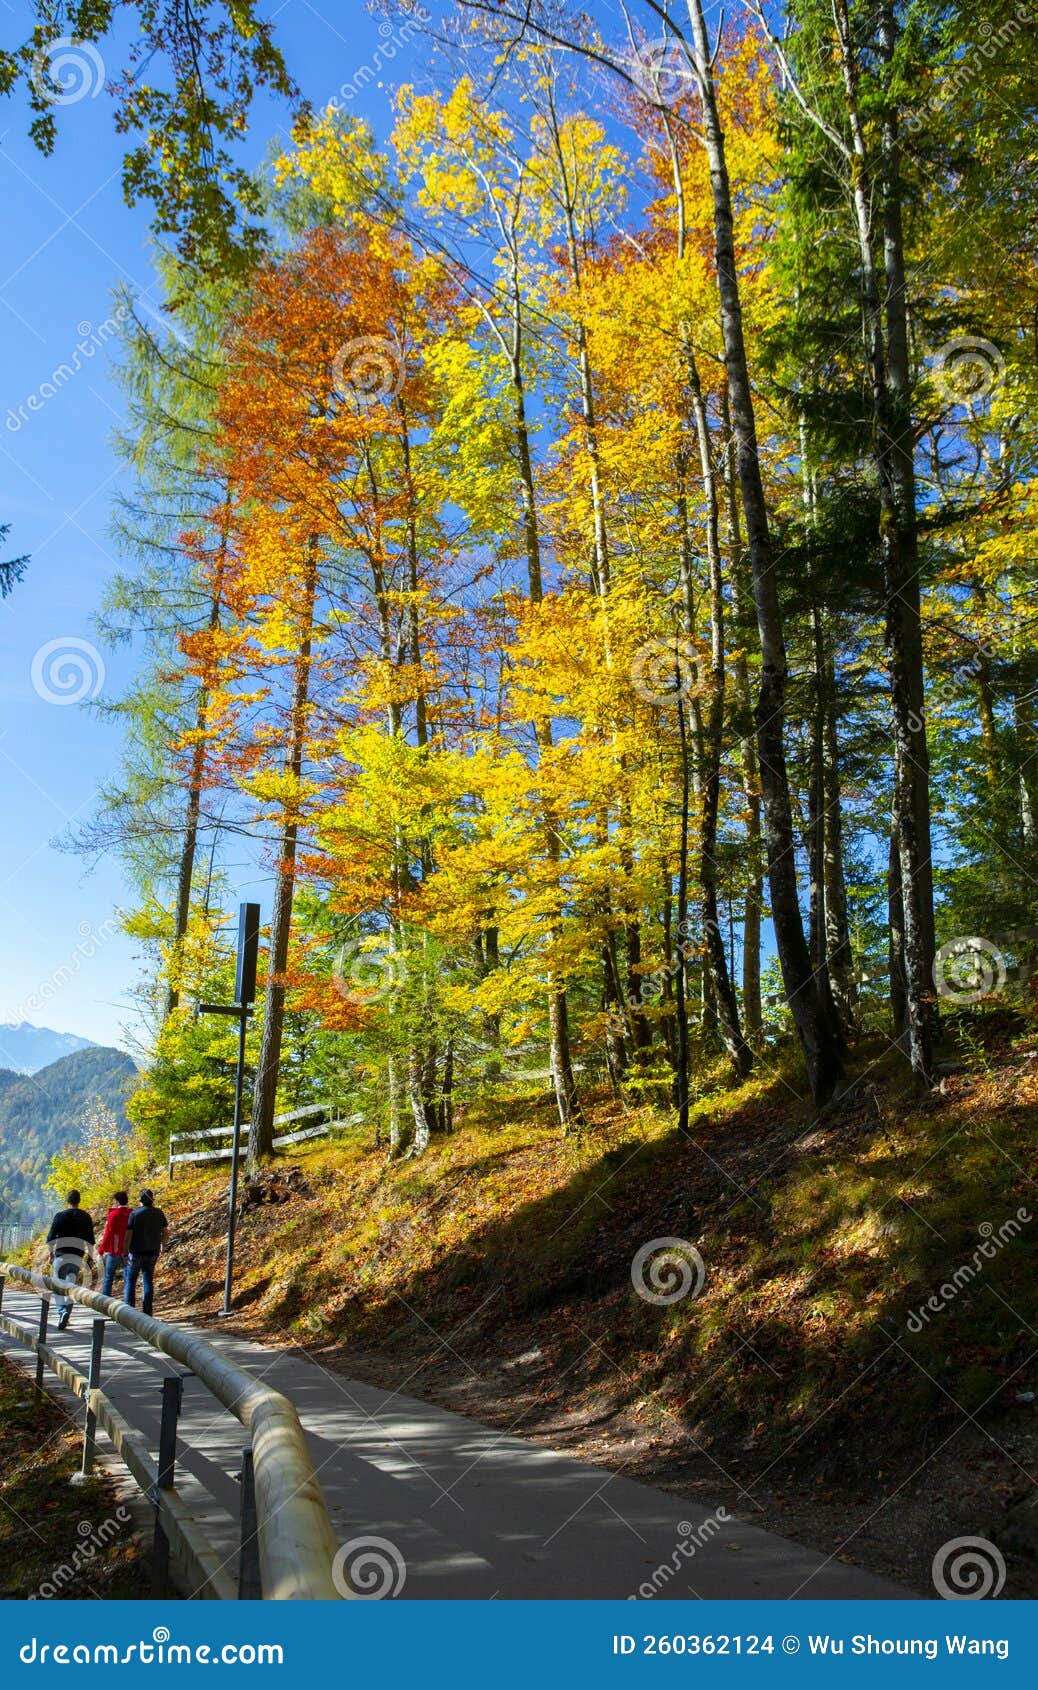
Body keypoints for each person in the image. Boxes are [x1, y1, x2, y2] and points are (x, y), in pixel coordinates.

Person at [45, 1190, 95, 1331]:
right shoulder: (86, 1217)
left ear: (67, 1200)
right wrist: (90, 1259)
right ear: (79, 1201)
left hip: (61, 1255)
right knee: (71, 1286)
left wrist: (50, 1254)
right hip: (77, 1257)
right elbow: (90, 1241)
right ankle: (67, 1312)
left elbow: (51, 1238)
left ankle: (62, 1311)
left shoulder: (60, 1216)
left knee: (58, 1286)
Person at [123, 1189, 169, 1317]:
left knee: (130, 1281)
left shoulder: (135, 1214)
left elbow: (128, 1236)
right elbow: (165, 1232)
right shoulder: (159, 1213)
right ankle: (147, 1312)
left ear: (140, 1200)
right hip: (152, 1252)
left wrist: (125, 1252)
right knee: (148, 1280)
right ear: (152, 1198)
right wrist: (162, 1246)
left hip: (136, 1252)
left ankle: (129, 1313)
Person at [97, 1189, 132, 1298]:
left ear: (117, 1202)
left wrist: (101, 1251)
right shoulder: (132, 1213)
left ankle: (105, 1302)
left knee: (108, 1277)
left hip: (114, 1251)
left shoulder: (114, 1215)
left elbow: (108, 1234)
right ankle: (128, 1305)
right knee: (128, 1279)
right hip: (128, 1250)